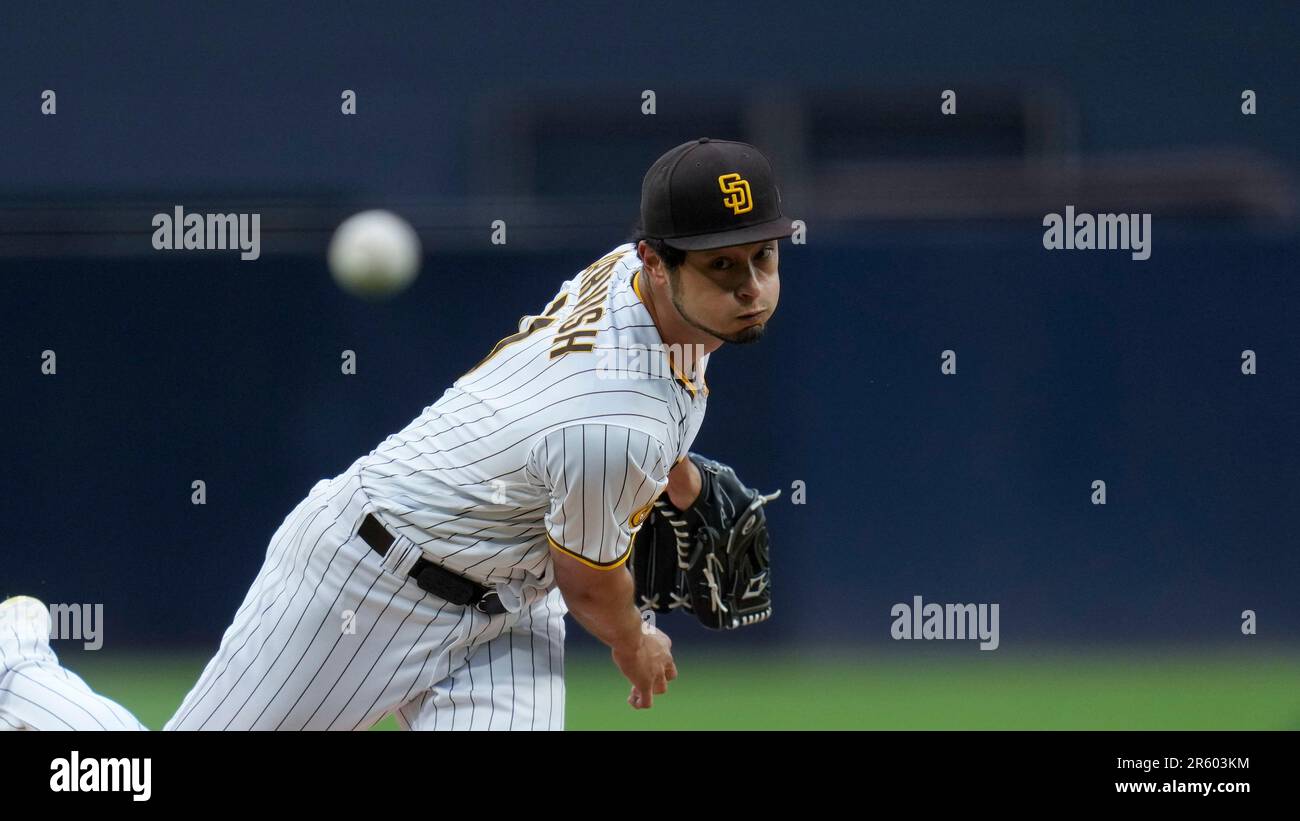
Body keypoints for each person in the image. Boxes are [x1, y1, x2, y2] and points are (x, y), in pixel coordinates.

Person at [0, 137, 790, 731]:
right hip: (368, 578)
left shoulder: (628, 280)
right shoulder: (615, 421)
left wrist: (677, 479)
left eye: (763, 256)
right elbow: (590, 584)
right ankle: (21, 672)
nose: (752, 286)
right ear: (656, 262)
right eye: (722, 266)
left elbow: (625, 432)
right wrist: (636, 641)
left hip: (508, 607)